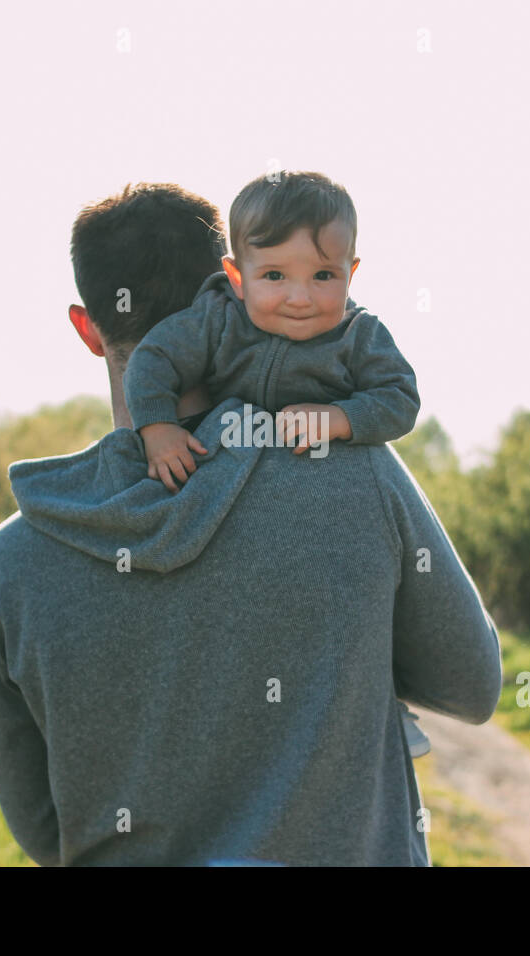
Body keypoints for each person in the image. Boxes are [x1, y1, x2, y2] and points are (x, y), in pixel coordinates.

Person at [0, 182, 501, 866]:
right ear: (235, 295)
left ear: (88, 329)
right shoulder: (354, 474)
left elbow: (44, 829)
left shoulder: (7, 568)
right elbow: (471, 684)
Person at [123, 170, 431, 757]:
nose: (300, 297)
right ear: (236, 276)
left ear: (352, 273)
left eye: (323, 276)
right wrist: (157, 427)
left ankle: (383, 700)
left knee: (351, 598)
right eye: (273, 276)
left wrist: (340, 418)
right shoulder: (217, 321)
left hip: (326, 501)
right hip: (239, 493)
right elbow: (154, 359)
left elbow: (400, 398)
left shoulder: (359, 336)